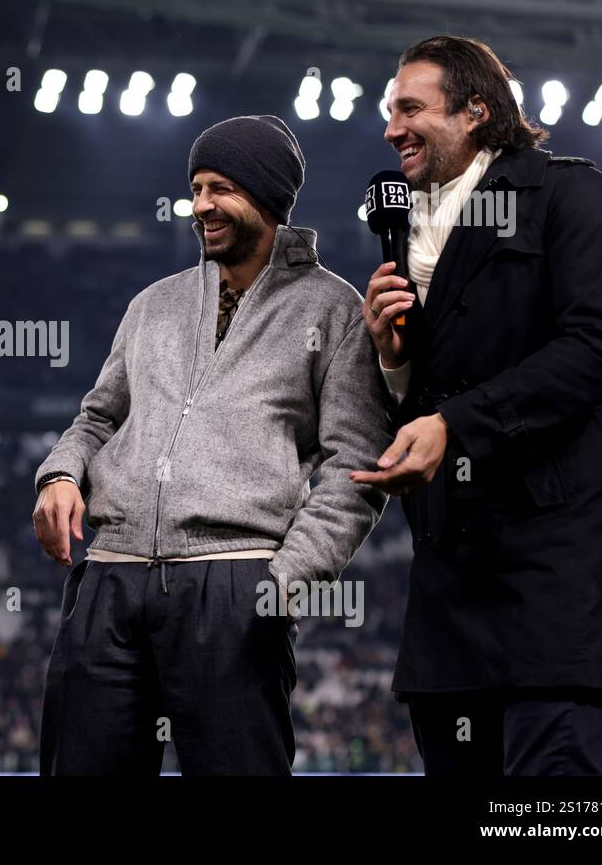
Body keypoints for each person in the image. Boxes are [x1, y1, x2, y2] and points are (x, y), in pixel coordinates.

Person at [32, 115, 390, 775]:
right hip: (108, 579)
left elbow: (358, 463)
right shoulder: (151, 305)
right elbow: (96, 419)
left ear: (267, 195)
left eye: (219, 188)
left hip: (235, 580)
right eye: (195, 189)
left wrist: (285, 582)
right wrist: (59, 474)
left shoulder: (332, 310)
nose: (200, 206)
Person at [354, 35, 602, 775]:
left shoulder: (572, 196)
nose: (392, 127)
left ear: (477, 111)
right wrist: (392, 363)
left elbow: (600, 349)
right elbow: (413, 417)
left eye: (412, 107)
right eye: (391, 111)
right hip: (450, 585)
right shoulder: (405, 243)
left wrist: (455, 424)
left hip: (555, 573)